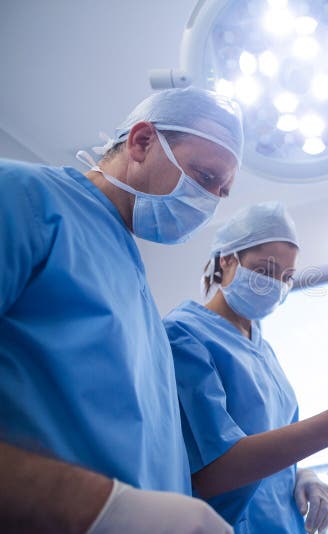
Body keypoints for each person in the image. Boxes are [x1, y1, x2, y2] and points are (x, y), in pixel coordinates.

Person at [0, 87, 245, 532]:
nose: (209, 201)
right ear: (141, 141)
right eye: (205, 176)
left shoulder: (131, 280)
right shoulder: (22, 198)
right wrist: (101, 507)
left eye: (221, 192)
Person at [164, 202, 328, 533]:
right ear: (227, 259)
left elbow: (270, 439)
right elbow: (213, 470)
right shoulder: (184, 335)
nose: (276, 286)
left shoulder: (261, 346)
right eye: (264, 271)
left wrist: (300, 474)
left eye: (286, 277)